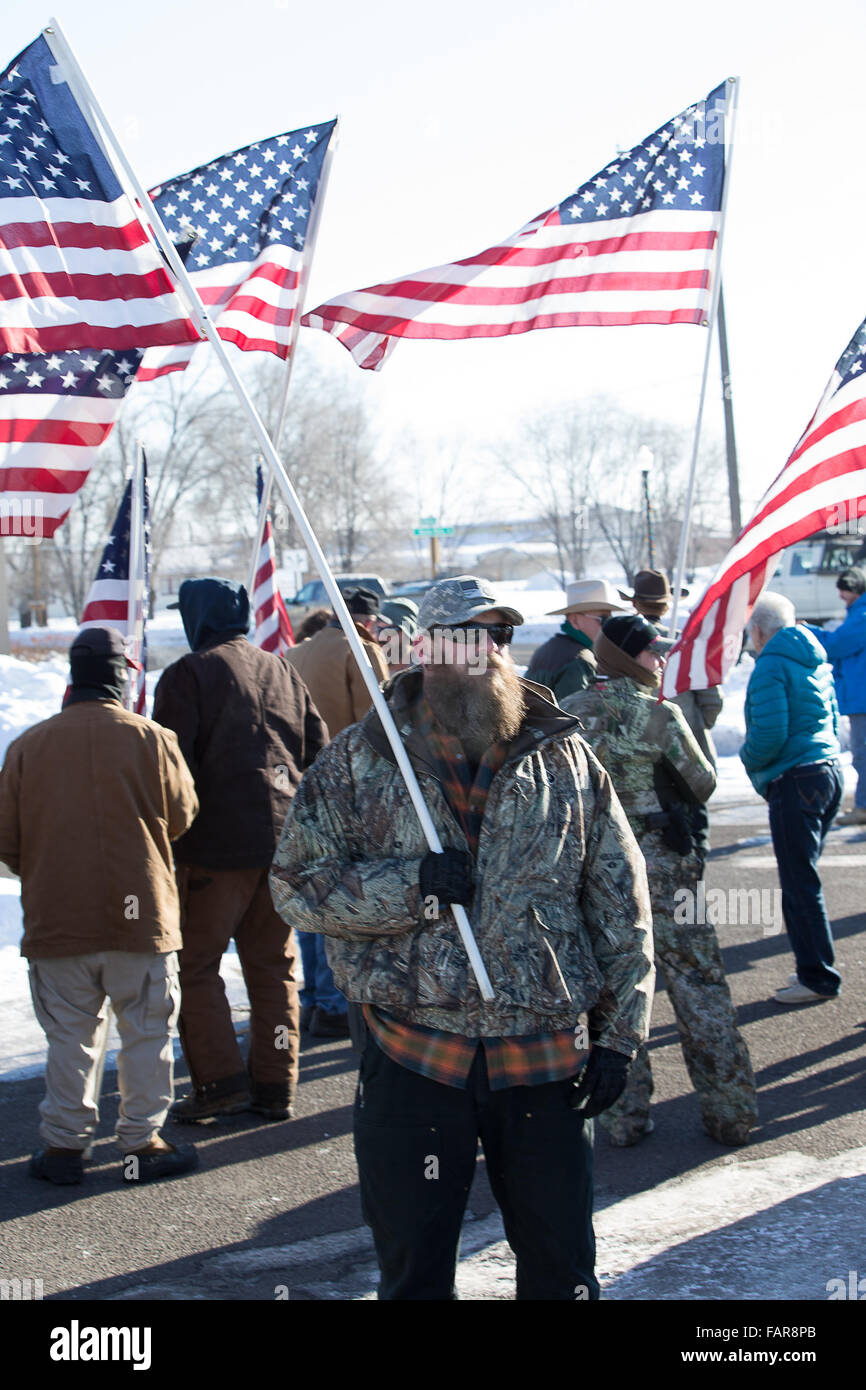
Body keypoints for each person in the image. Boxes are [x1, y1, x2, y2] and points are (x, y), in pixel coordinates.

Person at [270, 575, 654, 1301]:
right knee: (415, 1276)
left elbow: (619, 902)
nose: (486, 653)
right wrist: (409, 884)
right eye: (467, 636)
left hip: (541, 1056)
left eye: (500, 636)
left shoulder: (564, 758)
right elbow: (295, 886)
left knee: (563, 1270)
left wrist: (620, 1037)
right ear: (426, 649)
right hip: (414, 1054)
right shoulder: (361, 760)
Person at [0, 627, 200, 1185]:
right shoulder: (154, 739)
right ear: (122, 676)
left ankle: (64, 1148)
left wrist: (50, 873)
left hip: (59, 919)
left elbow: (5, 838)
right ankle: (141, 1142)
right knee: (145, 1031)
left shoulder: (27, 746)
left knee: (70, 1036)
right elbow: (183, 817)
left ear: (73, 676)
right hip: (143, 920)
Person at [563, 614, 757, 1147]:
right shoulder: (658, 714)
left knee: (614, 992)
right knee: (699, 986)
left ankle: (622, 1119)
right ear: (627, 657)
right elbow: (703, 782)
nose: (661, 660)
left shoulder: (570, 715)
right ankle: (730, 1112)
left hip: (598, 871)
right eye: (652, 653)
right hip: (665, 865)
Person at [152, 578, 328, 1120]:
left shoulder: (188, 674)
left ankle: (222, 1082)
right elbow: (317, 751)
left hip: (214, 849)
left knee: (196, 965)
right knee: (272, 967)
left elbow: (169, 767)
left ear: (196, 618)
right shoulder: (282, 669)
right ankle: (275, 1084)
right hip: (280, 845)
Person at [285, 586, 391, 1038]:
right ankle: (332, 1001)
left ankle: (314, 999)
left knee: (312, 892)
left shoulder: (295, 651)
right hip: (350, 788)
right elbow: (380, 726)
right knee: (346, 896)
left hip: (300, 784)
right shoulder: (361, 651)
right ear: (368, 619)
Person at [743, 593, 843, 1004]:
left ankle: (817, 976)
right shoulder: (813, 656)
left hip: (795, 777)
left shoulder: (770, 664)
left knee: (799, 886)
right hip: (827, 770)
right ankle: (814, 966)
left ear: (760, 630)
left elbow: (769, 735)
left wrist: (750, 762)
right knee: (807, 881)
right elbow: (832, 717)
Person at [802, 567, 866, 825]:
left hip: (863, 696)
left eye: (844, 589)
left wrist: (808, 631)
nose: (841, 595)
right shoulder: (858, 613)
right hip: (860, 695)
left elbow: (837, 645)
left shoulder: (861, 615)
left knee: (863, 754)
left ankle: (863, 806)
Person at [525, 578, 626, 700]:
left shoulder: (549, 648)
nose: (608, 626)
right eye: (603, 619)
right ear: (574, 620)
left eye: (610, 620)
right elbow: (579, 715)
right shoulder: (579, 661)